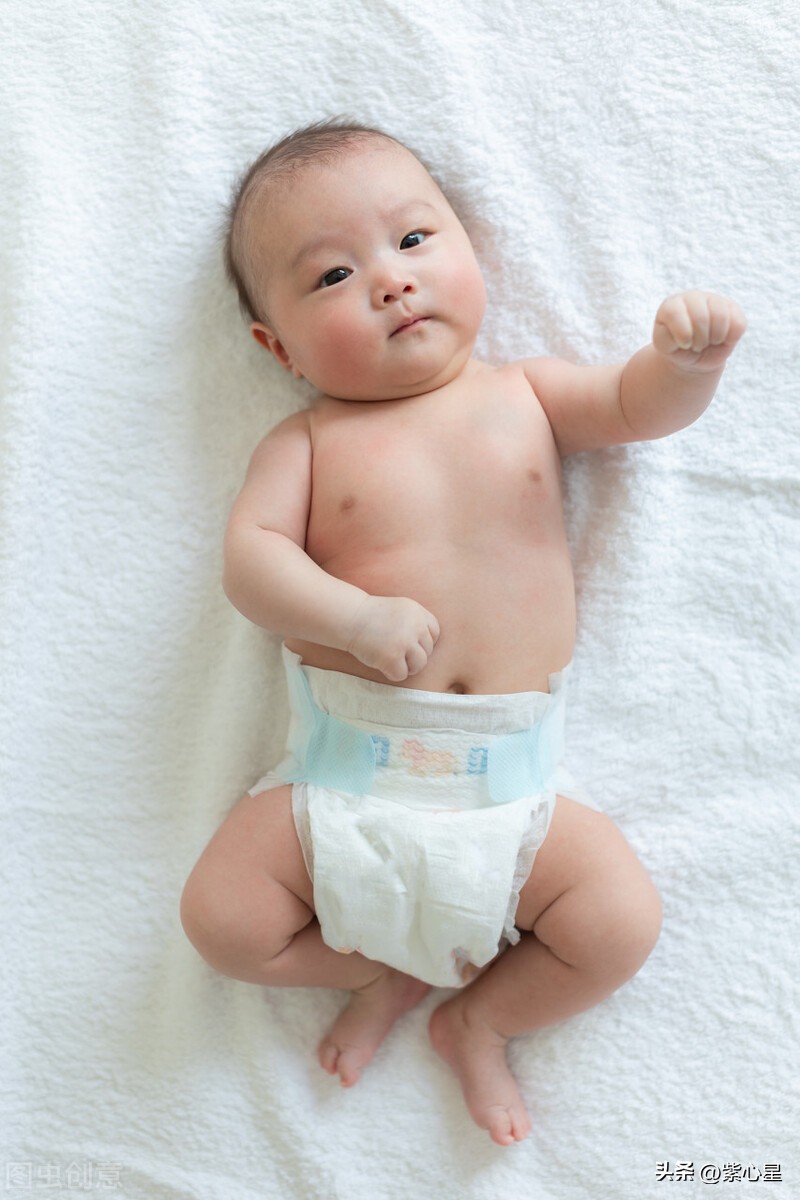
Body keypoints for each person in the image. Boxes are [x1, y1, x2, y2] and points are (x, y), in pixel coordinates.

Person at [180, 119, 746, 1146]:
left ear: (469, 249)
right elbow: (251, 563)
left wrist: (682, 363)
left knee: (617, 925)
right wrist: (352, 617)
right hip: (343, 779)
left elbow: (633, 406)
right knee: (221, 921)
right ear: (277, 348)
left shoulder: (525, 394)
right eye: (333, 275)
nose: (390, 282)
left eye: (412, 240)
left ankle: (479, 1020)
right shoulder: (307, 440)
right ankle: (375, 971)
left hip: (508, 794)